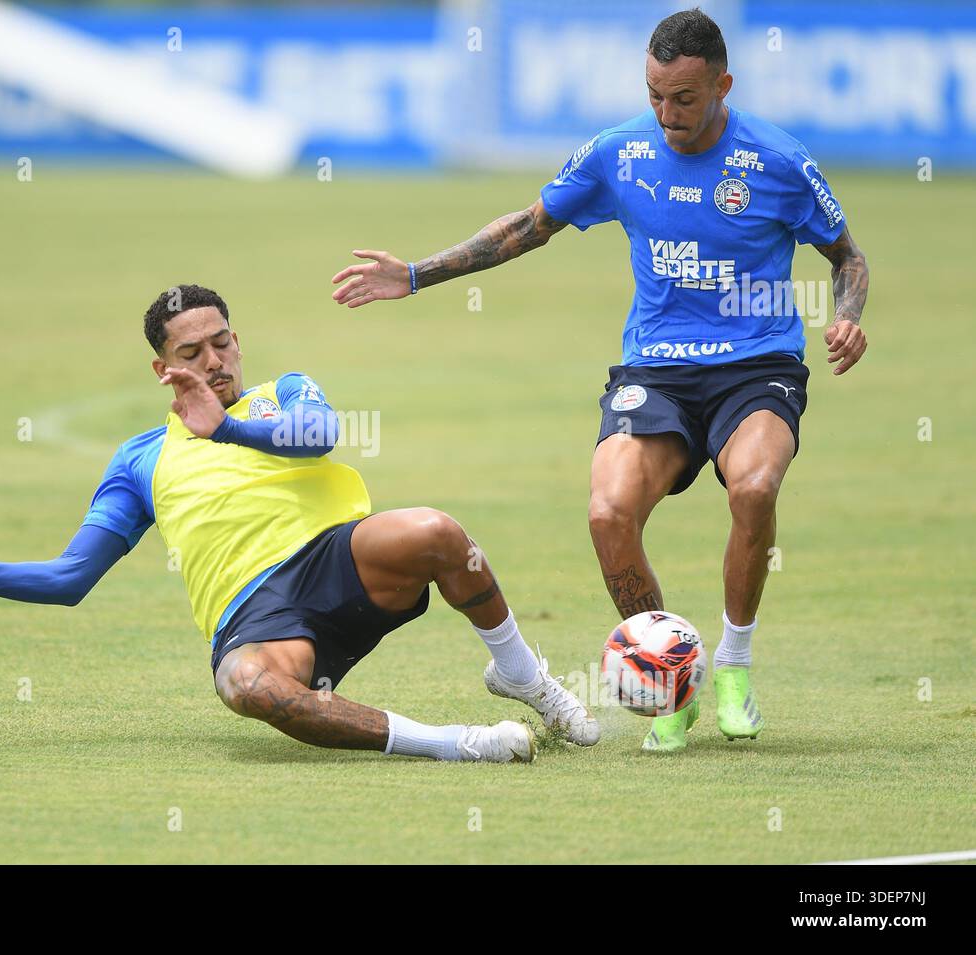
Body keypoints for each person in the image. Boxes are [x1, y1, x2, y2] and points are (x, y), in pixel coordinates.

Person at [329, 8, 869, 752]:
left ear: (723, 84)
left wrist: (847, 315)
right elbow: (527, 227)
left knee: (753, 487)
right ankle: (672, 682)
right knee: (608, 511)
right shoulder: (621, 153)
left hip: (757, 366)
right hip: (656, 370)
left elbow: (848, 257)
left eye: (683, 97)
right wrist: (417, 275)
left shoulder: (777, 161)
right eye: (653, 95)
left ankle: (735, 662)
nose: (666, 113)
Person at [0, 285, 600, 762]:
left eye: (222, 342)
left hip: (339, 560)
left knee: (437, 531)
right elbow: (71, 577)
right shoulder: (139, 460)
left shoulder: (281, 394)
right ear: (161, 368)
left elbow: (322, 432)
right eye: (191, 352)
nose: (213, 360)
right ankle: (456, 743)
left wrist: (231, 429)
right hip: (255, 618)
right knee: (250, 689)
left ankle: (523, 677)